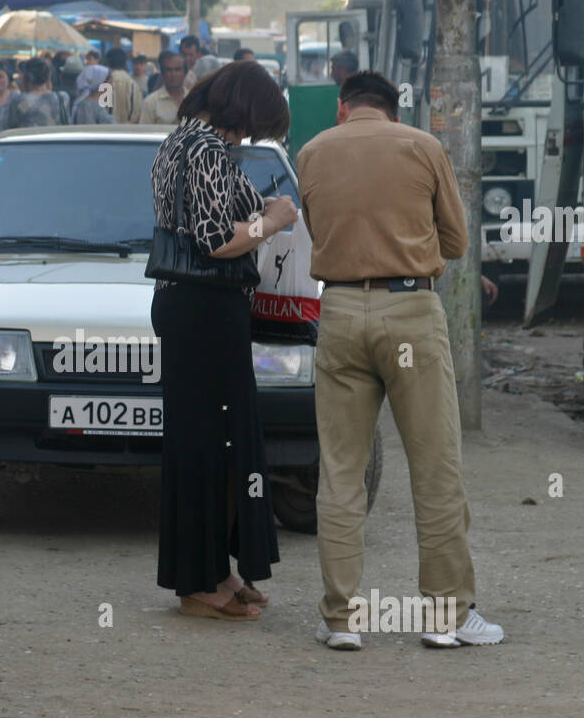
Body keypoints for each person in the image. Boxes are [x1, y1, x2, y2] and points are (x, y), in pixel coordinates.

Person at [295, 70, 505, 651]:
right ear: (392, 110)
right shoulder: (423, 145)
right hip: (410, 311)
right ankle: (446, 618)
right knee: (435, 466)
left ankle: (342, 621)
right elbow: (458, 242)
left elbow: (317, 231)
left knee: (341, 472)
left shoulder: (311, 152)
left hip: (338, 313)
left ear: (342, 109)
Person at [149, 61, 297, 622]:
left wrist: (256, 211)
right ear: (244, 110)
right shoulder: (208, 150)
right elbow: (216, 241)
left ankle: (214, 570)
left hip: (185, 305)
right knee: (212, 444)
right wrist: (275, 219)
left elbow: (193, 224)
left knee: (203, 442)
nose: (253, 138)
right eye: (258, 126)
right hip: (206, 306)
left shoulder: (176, 142)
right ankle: (201, 583)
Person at [7, 57, 69, 128]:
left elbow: (11, 128)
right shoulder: (62, 97)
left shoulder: (18, 101)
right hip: (57, 138)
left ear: (25, 78)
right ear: (48, 76)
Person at [140, 50, 186, 124]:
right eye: (169, 70)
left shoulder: (193, 99)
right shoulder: (151, 103)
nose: (173, 74)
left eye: (177, 70)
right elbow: (144, 134)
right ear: (163, 73)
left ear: (185, 73)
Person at [104, 47, 143, 124]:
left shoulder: (105, 84)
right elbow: (138, 114)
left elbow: (100, 110)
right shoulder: (134, 85)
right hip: (129, 132)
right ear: (125, 63)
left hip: (107, 131)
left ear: (108, 63)